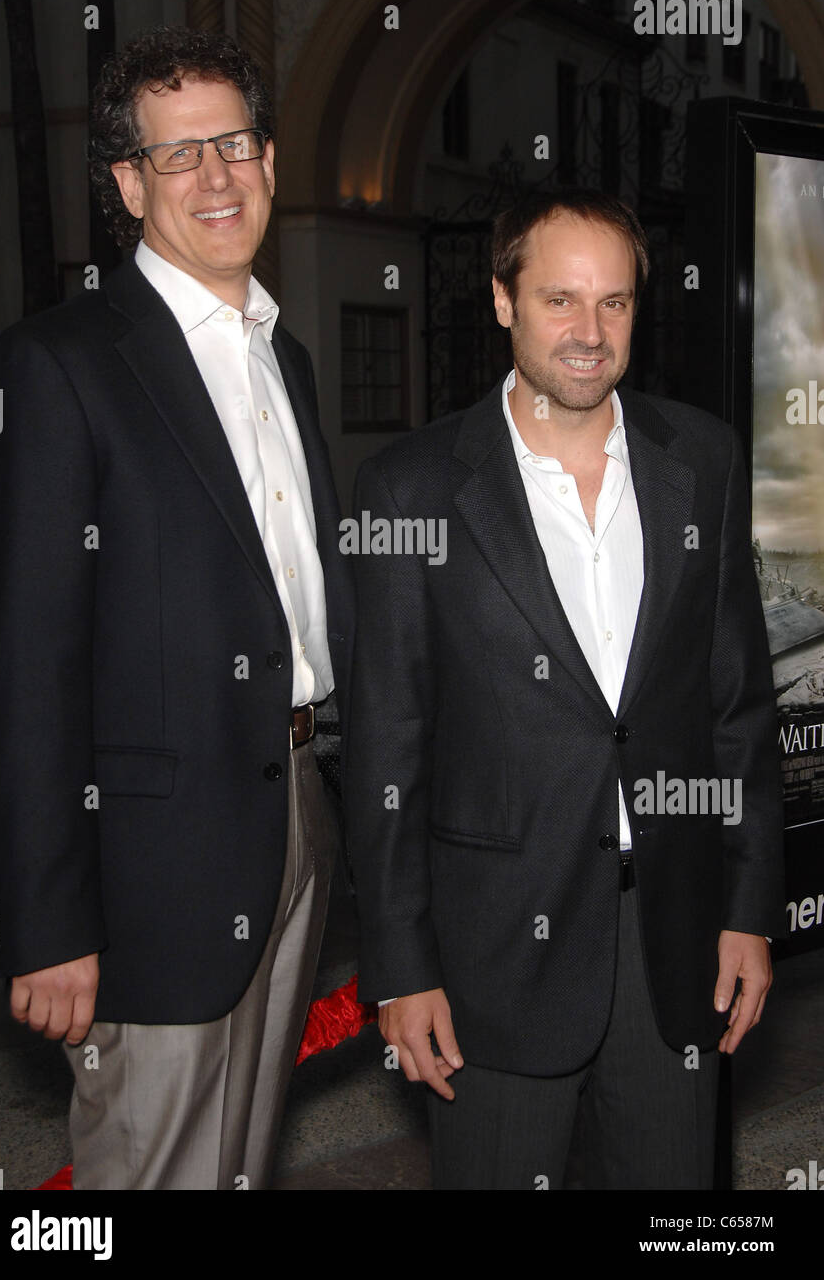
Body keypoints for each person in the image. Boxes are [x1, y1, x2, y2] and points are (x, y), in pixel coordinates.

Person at [0, 25, 352, 1190]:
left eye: (234, 143)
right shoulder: (56, 364)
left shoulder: (286, 360)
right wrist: (48, 921)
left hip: (295, 814)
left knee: (237, 1161)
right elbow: (24, 663)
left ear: (270, 162)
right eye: (178, 157)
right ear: (128, 184)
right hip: (149, 864)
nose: (215, 177)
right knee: (152, 1170)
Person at [345, 189, 784, 1190]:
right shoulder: (410, 490)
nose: (588, 333)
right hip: (492, 951)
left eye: (614, 303)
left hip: (673, 943)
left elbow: (735, 708)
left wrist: (747, 908)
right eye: (558, 300)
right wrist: (400, 965)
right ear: (501, 302)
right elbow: (387, 743)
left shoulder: (700, 460)